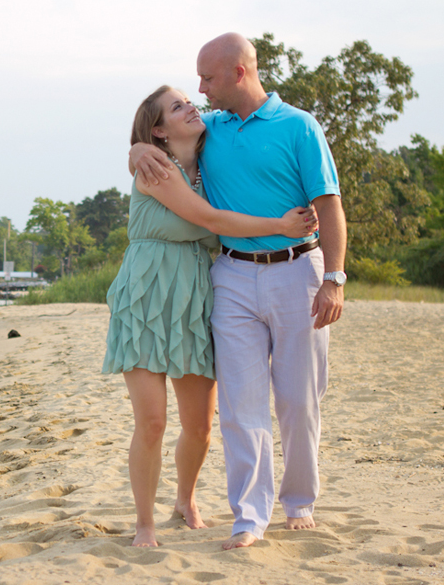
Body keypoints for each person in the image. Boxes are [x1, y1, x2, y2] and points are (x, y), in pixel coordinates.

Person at [131, 33, 347, 550]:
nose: (200, 89)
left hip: (298, 272)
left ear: (238, 73)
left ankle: (298, 503)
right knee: (240, 406)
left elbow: (330, 204)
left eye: (207, 78)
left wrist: (335, 278)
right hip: (229, 276)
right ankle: (249, 517)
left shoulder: (299, 126)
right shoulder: (212, 130)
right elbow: (161, 151)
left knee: (298, 400)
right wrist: (137, 146)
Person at [103, 84, 318, 547]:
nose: (191, 105)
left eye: (189, 100)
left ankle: (185, 498)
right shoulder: (155, 167)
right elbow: (213, 221)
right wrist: (281, 226)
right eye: (178, 106)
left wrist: (135, 145)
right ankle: (145, 522)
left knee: (200, 424)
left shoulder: (210, 155)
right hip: (146, 295)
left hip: (199, 294)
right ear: (159, 129)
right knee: (153, 421)